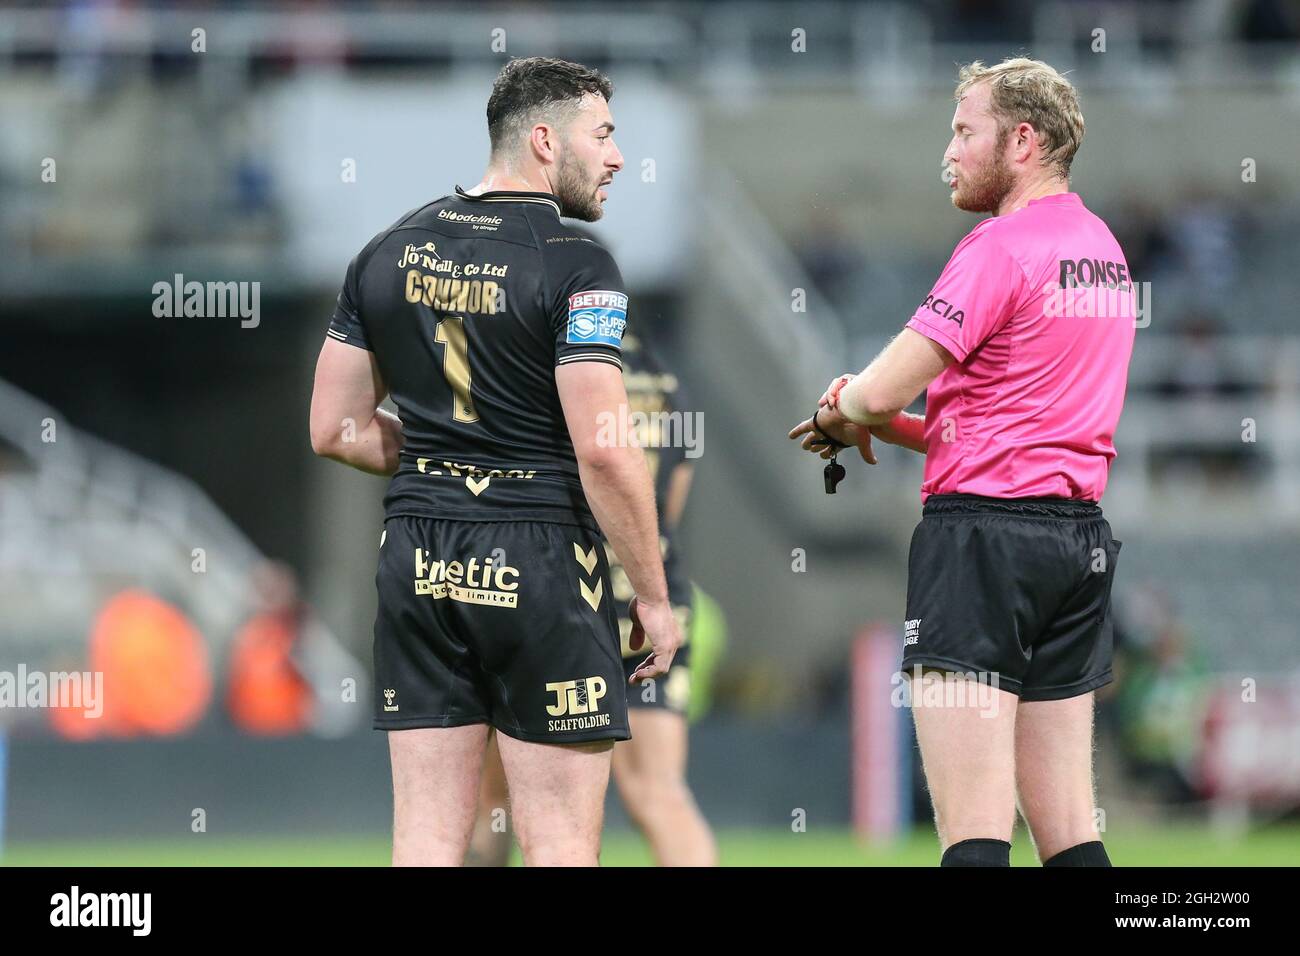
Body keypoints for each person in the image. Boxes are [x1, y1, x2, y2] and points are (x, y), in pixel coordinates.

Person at [309, 56, 681, 867]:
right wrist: (654, 595)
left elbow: (333, 429)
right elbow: (605, 452)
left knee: (427, 838)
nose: (618, 156)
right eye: (605, 135)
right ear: (546, 140)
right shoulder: (578, 264)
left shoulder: (386, 248)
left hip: (417, 550)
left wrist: (448, 461)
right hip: (541, 550)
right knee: (557, 841)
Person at [790, 57, 1135, 867]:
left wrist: (844, 412)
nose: (947, 150)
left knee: (975, 836)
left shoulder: (999, 246)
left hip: (980, 545)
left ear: (1022, 140)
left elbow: (876, 392)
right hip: (1075, 546)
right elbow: (1015, 422)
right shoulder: (1104, 252)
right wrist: (901, 427)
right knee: (1072, 838)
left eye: (962, 131)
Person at [468, 326, 716, 867]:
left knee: (496, 799)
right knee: (660, 791)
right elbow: (670, 505)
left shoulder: (550, 363)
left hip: (557, 594)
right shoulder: (665, 374)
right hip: (653, 600)